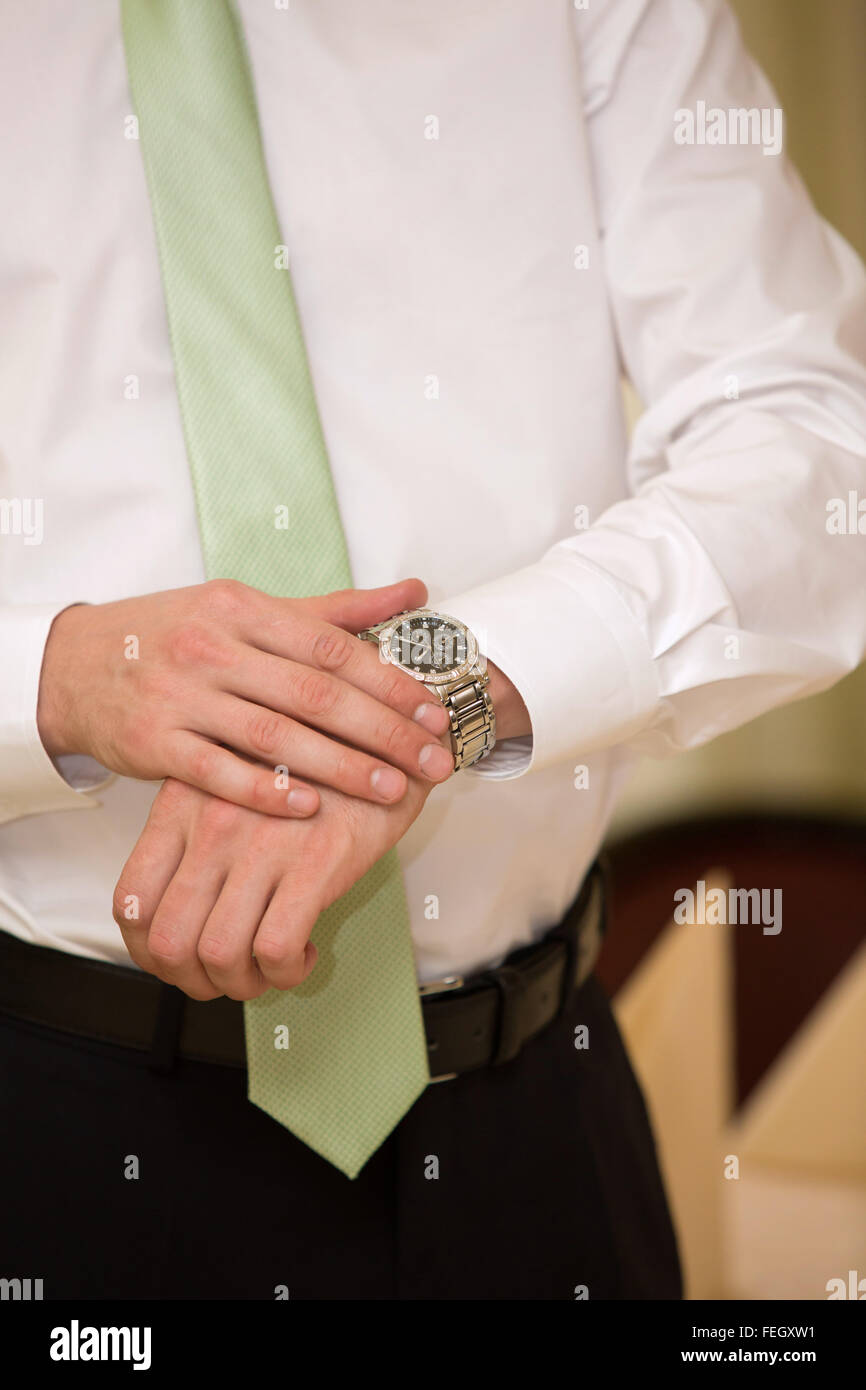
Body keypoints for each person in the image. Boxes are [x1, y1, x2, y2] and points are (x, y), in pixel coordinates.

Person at [1, 0, 864, 1301]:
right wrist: (48, 681)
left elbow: (814, 442)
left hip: (535, 1124)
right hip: (43, 1129)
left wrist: (437, 685)